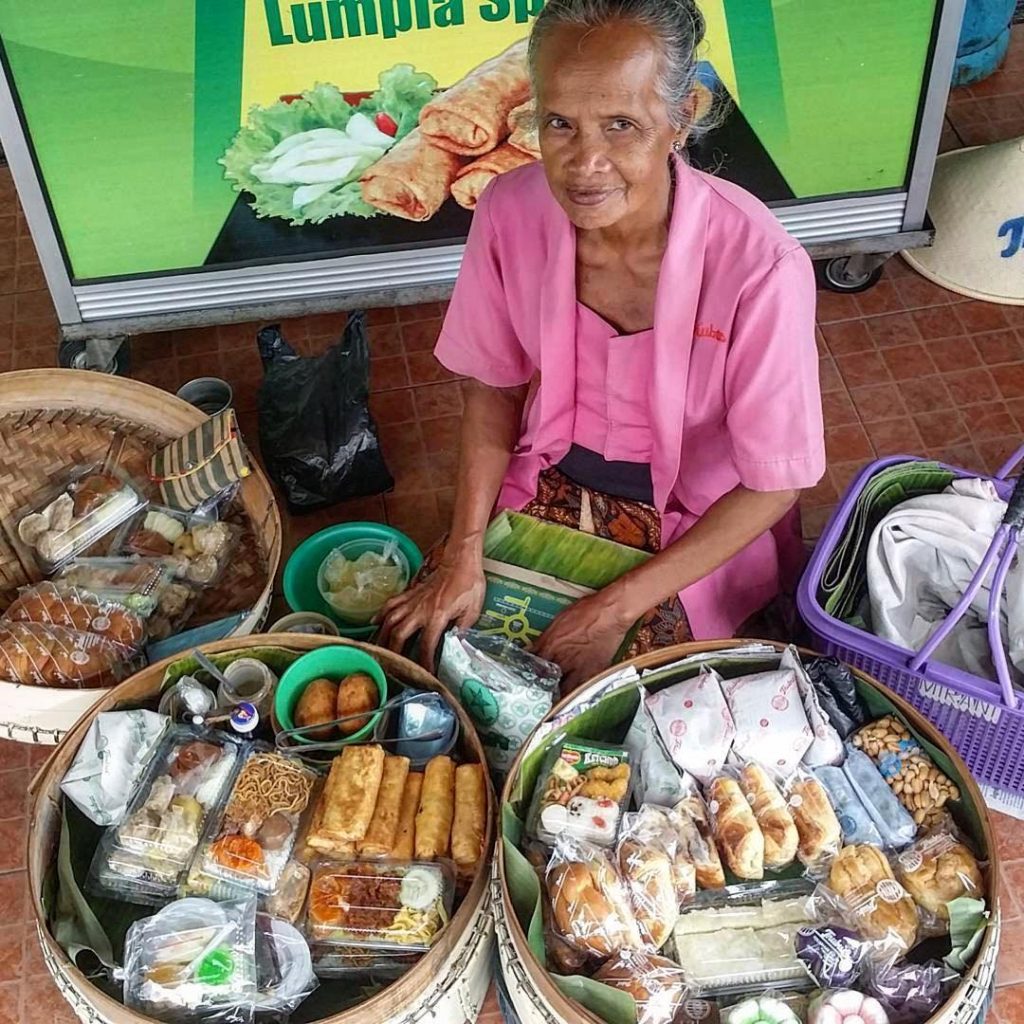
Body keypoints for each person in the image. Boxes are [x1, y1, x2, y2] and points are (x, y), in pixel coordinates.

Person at [380, 0, 825, 689]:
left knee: (629, 706)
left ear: (682, 117)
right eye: (560, 123)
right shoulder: (509, 211)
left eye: (622, 125)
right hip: (549, 478)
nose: (585, 165)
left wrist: (612, 609)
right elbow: (494, 389)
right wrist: (463, 553)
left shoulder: (760, 267)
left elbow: (775, 482)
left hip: (697, 516)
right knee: (432, 661)